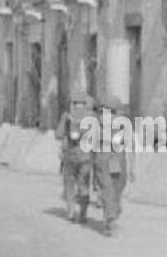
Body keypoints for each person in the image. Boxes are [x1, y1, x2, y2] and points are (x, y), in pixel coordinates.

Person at [55, 91, 95, 224]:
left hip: (70, 156)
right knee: (84, 185)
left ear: (72, 103)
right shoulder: (92, 117)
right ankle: (83, 214)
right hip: (86, 157)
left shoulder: (67, 116)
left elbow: (59, 134)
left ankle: (71, 211)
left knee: (69, 184)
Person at [92, 100, 130, 237]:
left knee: (111, 189)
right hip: (113, 159)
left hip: (110, 159)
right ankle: (111, 217)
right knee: (112, 189)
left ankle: (112, 214)